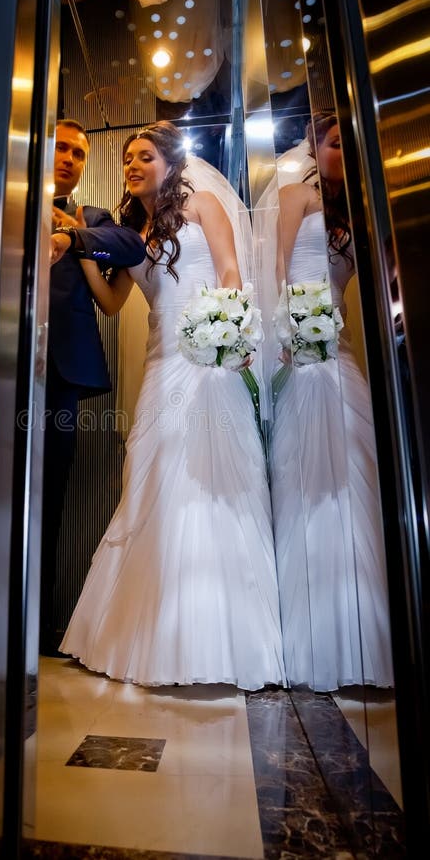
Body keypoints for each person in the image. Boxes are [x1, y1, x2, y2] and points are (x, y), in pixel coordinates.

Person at [58, 120, 286, 690]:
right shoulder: (131, 233)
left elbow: (231, 271)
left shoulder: (204, 203)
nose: (133, 165)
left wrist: (228, 331)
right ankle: (149, 633)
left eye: (145, 156)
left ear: (170, 163)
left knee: (211, 485)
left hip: (209, 364)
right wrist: (86, 244)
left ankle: (222, 634)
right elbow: (111, 304)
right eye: (127, 158)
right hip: (162, 368)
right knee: (151, 488)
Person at [270, 111, 394, 691]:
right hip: (298, 351)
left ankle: (370, 637)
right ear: (314, 148)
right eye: (335, 143)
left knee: (357, 478)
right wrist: (284, 330)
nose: (343, 153)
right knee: (309, 484)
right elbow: (274, 267)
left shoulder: (361, 210)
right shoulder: (295, 194)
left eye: (350, 144)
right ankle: (311, 641)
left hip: (338, 352)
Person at [40, 119, 146, 656]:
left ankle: (35, 629)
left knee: (50, 493)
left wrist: (71, 233)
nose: (67, 159)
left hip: (60, 374)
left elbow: (129, 245)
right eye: (59, 148)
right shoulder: (8, 201)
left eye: (77, 154)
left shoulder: (93, 217)